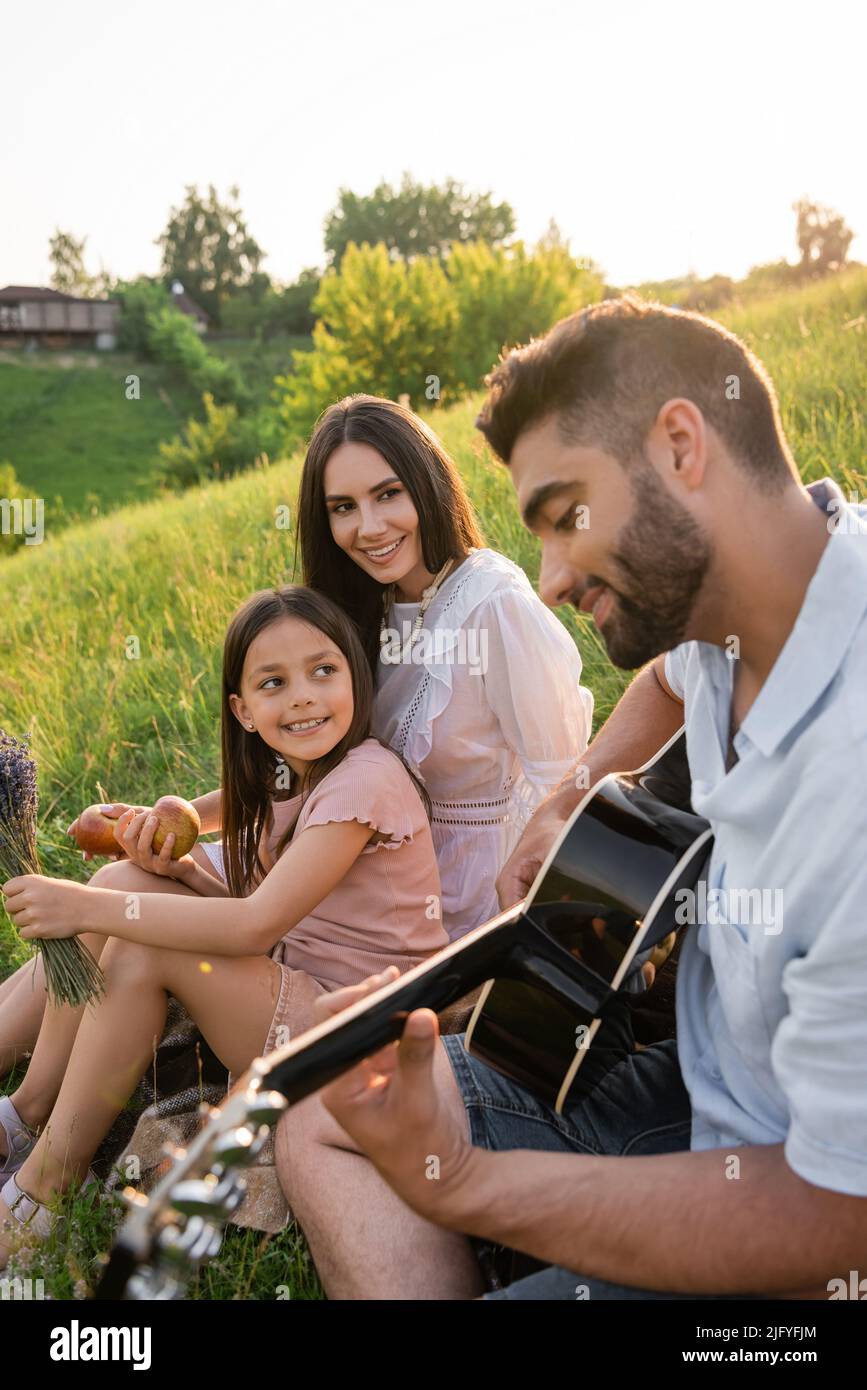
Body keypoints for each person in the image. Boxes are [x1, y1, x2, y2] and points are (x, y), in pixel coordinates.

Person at [273, 296, 867, 1300]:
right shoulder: (751, 590)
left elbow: (835, 1216)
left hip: (795, 1214)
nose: (544, 580)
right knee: (323, 1104)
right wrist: (577, 796)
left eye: (565, 516)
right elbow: (670, 681)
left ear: (682, 445)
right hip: (693, 1086)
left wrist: (468, 1185)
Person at [0, 586, 447, 1266]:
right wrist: (174, 868)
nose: (301, 697)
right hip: (300, 985)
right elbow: (266, 918)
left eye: (322, 671)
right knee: (120, 881)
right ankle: (31, 1114)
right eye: (274, 682)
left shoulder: (366, 782)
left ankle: (47, 1188)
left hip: (355, 1025)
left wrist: (82, 910)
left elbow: (252, 927)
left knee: (137, 945)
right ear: (242, 709)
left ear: (355, 677)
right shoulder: (292, 777)